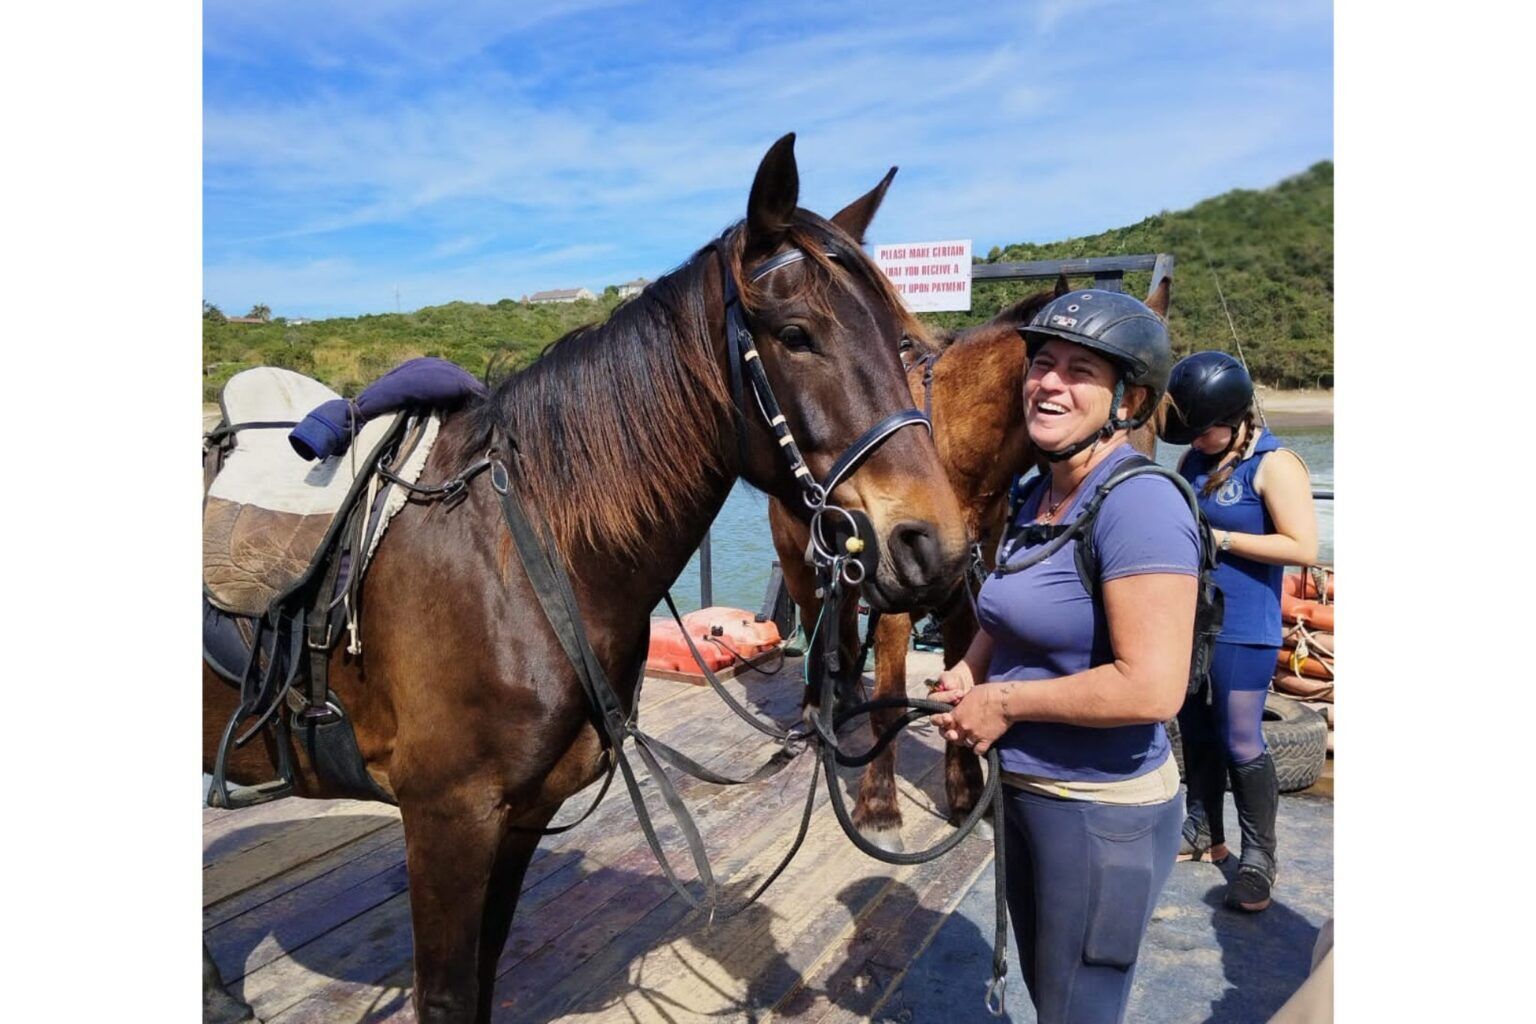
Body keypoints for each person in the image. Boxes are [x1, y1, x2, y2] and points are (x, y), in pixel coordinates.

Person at [932, 287, 1196, 1024]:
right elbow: (1009, 609)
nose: (1049, 382)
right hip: (1025, 790)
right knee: (1049, 992)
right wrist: (971, 669)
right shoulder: (1035, 495)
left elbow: (1152, 688)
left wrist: (1004, 703)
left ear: (1129, 399)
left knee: (1077, 1007)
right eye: (1042, 363)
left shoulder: (1138, 504)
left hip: (1096, 809)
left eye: (1081, 370)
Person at [1159, 350, 1318, 912]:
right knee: (1196, 729)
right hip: (1193, 624)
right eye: (1190, 432)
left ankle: (1259, 858)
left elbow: (1304, 548)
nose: (1196, 440)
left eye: (1203, 431)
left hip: (1245, 627)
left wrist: (1222, 541)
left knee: (1242, 737)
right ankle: (1203, 829)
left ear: (1234, 417)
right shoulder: (1191, 464)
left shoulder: (1274, 464)